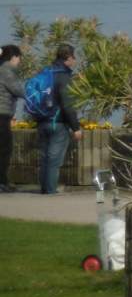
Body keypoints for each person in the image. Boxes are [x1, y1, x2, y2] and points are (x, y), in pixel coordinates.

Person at [36, 43, 84, 195]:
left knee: (45, 158)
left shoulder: (45, 72)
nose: (75, 60)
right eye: (74, 57)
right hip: (58, 123)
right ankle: (50, 191)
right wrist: (76, 127)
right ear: (68, 58)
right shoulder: (64, 76)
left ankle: (45, 188)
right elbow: (67, 104)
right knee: (54, 159)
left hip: (42, 121)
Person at [0, 44, 23, 193]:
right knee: (4, 149)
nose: (19, 61)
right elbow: (19, 90)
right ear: (14, 57)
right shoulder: (7, 71)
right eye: (19, 58)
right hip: (2, 115)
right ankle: (2, 182)